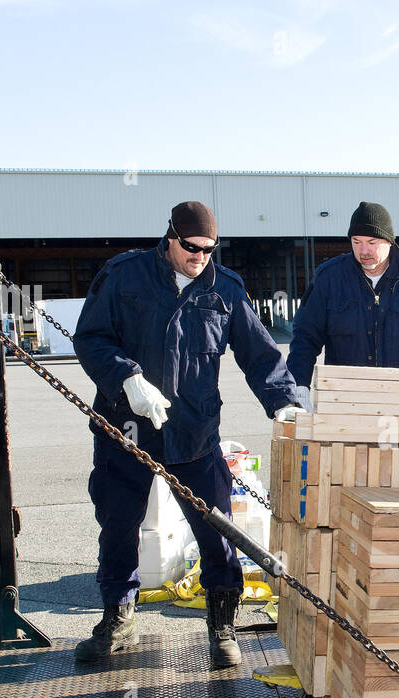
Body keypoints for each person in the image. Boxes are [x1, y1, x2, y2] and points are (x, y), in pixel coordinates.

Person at [73, 201, 305, 667]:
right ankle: (118, 617)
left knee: (216, 530)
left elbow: (260, 355)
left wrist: (283, 401)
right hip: (127, 427)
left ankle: (222, 622)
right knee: (119, 526)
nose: (200, 258)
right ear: (171, 238)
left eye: (208, 250)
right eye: (192, 248)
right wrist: (127, 378)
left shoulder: (226, 289)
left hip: (193, 433)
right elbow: (91, 337)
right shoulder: (124, 276)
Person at [286, 202, 399, 387]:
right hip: (343, 397)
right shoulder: (328, 278)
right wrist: (298, 389)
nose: (363, 251)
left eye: (371, 243)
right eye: (356, 242)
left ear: (389, 242)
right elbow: (305, 338)